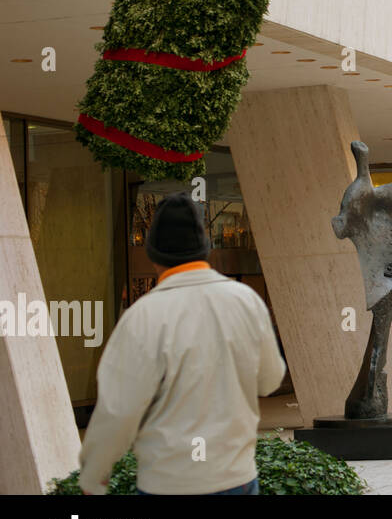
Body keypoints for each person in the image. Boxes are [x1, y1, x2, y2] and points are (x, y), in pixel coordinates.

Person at [78, 193, 285, 495]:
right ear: (206, 248)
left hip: (168, 482)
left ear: (152, 253)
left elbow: (118, 410)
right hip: (237, 478)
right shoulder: (246, 302)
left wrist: (93, 476)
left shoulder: (142, 316)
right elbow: (269, 381)